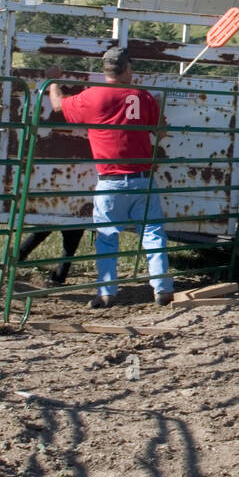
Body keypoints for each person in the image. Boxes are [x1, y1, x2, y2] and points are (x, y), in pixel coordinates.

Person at [46, 48, 173, 307]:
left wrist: (52, 80)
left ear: (106, 70)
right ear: (126, 69)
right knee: (153, 233)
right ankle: (162, 288)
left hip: (110, 181)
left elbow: (58, 105)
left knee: (106, 237)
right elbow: (160, 133)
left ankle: (107, 293)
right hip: (142, 179)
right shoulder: (143, 96)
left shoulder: (91, 97)